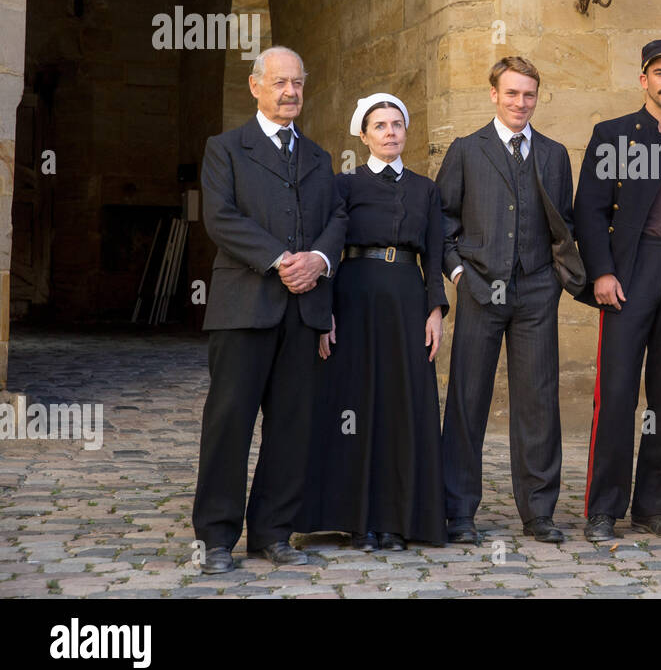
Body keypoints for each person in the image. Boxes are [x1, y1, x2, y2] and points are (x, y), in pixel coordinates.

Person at [193, 47, 347, 574]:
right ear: (255, 86)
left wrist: (321, 259)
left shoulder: (320, 158)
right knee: (229, 423)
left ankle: (272, 532)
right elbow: (220, 218)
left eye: (298, 83)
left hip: (303, 312)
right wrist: (280, 259)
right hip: (243, 307)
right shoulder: (226, 148)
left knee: (292, 426)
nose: (290, 92)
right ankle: (216, 538)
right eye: (280, 82)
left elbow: (337, 218)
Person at [297, 94, 449, 551]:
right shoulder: (343, 186)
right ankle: (356, 521)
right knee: (354, 408)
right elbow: (328, 247)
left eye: (396, 125)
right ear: (363, 136)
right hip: (353, 298)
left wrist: (436, 310)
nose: (390, 132)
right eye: (380, 126)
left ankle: (396, 521)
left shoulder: (426, 189)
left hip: (407, 298)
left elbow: (436, 252)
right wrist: (324, 316)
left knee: (402, 408)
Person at [437, 57, 576, 545]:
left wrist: (557, 278)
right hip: (479, 287)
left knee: (539, 402)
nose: (521, 103)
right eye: (512, 93)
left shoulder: (556, 155)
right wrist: (457, 271)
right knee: (467, 399)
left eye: (529, 95)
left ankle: (539, 512)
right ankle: (457, 511)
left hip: (537, 290)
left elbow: (565, 224)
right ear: (493, 94)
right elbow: (442, 221)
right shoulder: (465, 150)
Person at [574, 39, 661, 543]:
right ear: (643, 80)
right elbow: (589, 211)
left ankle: (654, 507)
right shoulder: (612, 136)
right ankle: (603, 509)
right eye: (659, 73)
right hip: (632, 269)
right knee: (618, 392)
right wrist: (602, 272)